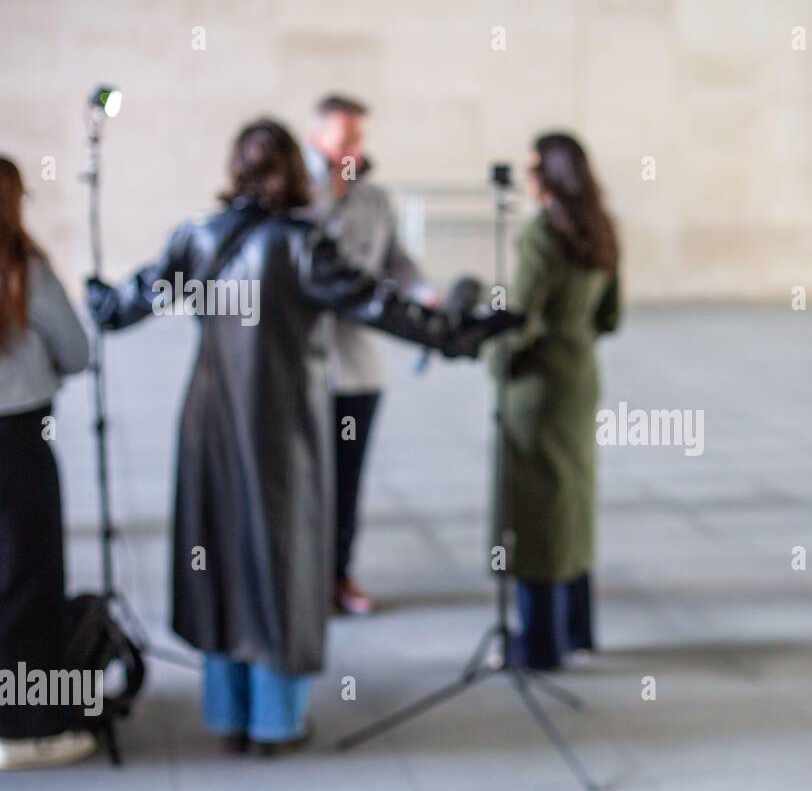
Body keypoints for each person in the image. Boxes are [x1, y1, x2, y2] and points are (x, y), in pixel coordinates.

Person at [86, 119, 514, 756]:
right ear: (293, 170)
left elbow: (120, 309)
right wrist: (459, 333)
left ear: (236, 170)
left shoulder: (196, 237)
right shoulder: (303, 246)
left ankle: (228, 714)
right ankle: (274, 723)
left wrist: (94, 292)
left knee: (219, 557)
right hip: (280, 430)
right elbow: (383, 307)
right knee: (281, 563)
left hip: (209, 425)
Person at [489, 132, 621, 671]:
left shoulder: (544, 233)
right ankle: (577, 630)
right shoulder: (601, 226)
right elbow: (610, 316)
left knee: (534, 510)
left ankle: (539, 643)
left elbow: (519, 315)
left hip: (537, 384)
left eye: (533, 168)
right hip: (580, 376)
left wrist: (494, 360)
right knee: (573, 498)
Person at [305, 94, 436, 616]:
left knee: (346, 478)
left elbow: (396, 261)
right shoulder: (297, 198)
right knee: (301, 481)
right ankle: (301, 581)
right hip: (303, 366)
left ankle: (338, 574)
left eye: (359, 138)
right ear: (317, 139)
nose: (355, 148)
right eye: (346, 138)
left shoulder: (375, 200)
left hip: (356, 369)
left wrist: (423, 293)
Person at [0, 156, 95, 770]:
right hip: (16, 442)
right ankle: (26, 730)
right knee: (26, 585)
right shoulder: (24, 271)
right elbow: (77, 351)